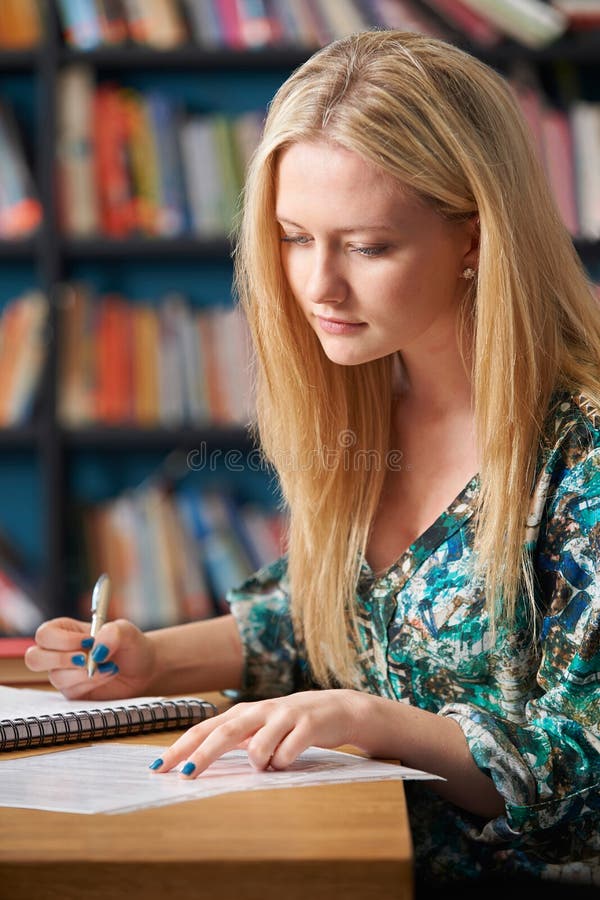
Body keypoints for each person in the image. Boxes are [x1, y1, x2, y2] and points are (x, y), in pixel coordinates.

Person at [26, 30, 599, 895]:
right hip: (349, 861)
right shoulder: (365, 404)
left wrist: (376, 722)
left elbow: (582, 778)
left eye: (366, 247)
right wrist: (147, 663)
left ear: (476, 240)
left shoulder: (581, 450)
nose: (318, 285)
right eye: (295, 238)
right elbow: (314, 619)